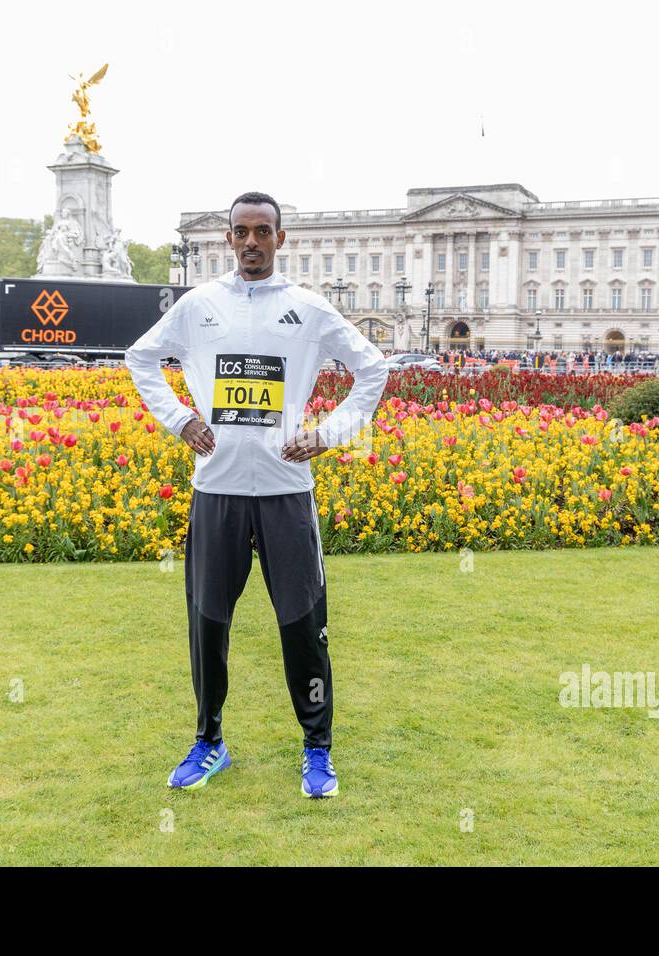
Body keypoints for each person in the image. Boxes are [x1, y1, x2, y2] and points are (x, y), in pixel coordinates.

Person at [126, 191, 389, 799]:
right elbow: (141, 359)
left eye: (261, 232)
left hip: (285, 492)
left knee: (302, 625)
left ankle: (317, 751)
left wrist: (328, 436)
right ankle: (208, 742)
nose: (250, 242)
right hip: (216, 489)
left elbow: (372, 367)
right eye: (240, 232)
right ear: (228, 239)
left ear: (280, 238)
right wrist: (181, 420)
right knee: (208, 623)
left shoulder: (308, 308)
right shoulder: (199, 306)